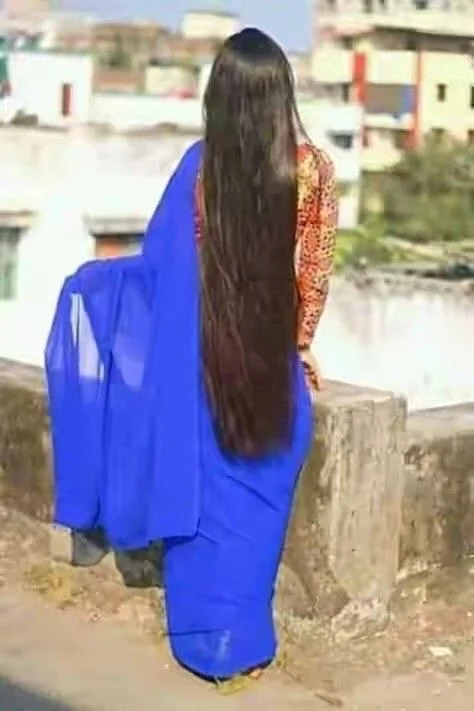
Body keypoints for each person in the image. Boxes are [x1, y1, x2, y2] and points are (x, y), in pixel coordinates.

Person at [45, 28, 337, 684]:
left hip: (202, 367)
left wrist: (98, 287)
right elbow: (314, 273)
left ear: (218, 96)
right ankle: (245, 643)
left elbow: (161, 269)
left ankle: (201, 644)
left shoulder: (199, 170)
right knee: (254, 517)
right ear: (282, 93)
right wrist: (299, 342)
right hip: (271, 373)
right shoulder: (311, 169)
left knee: (201, 506)